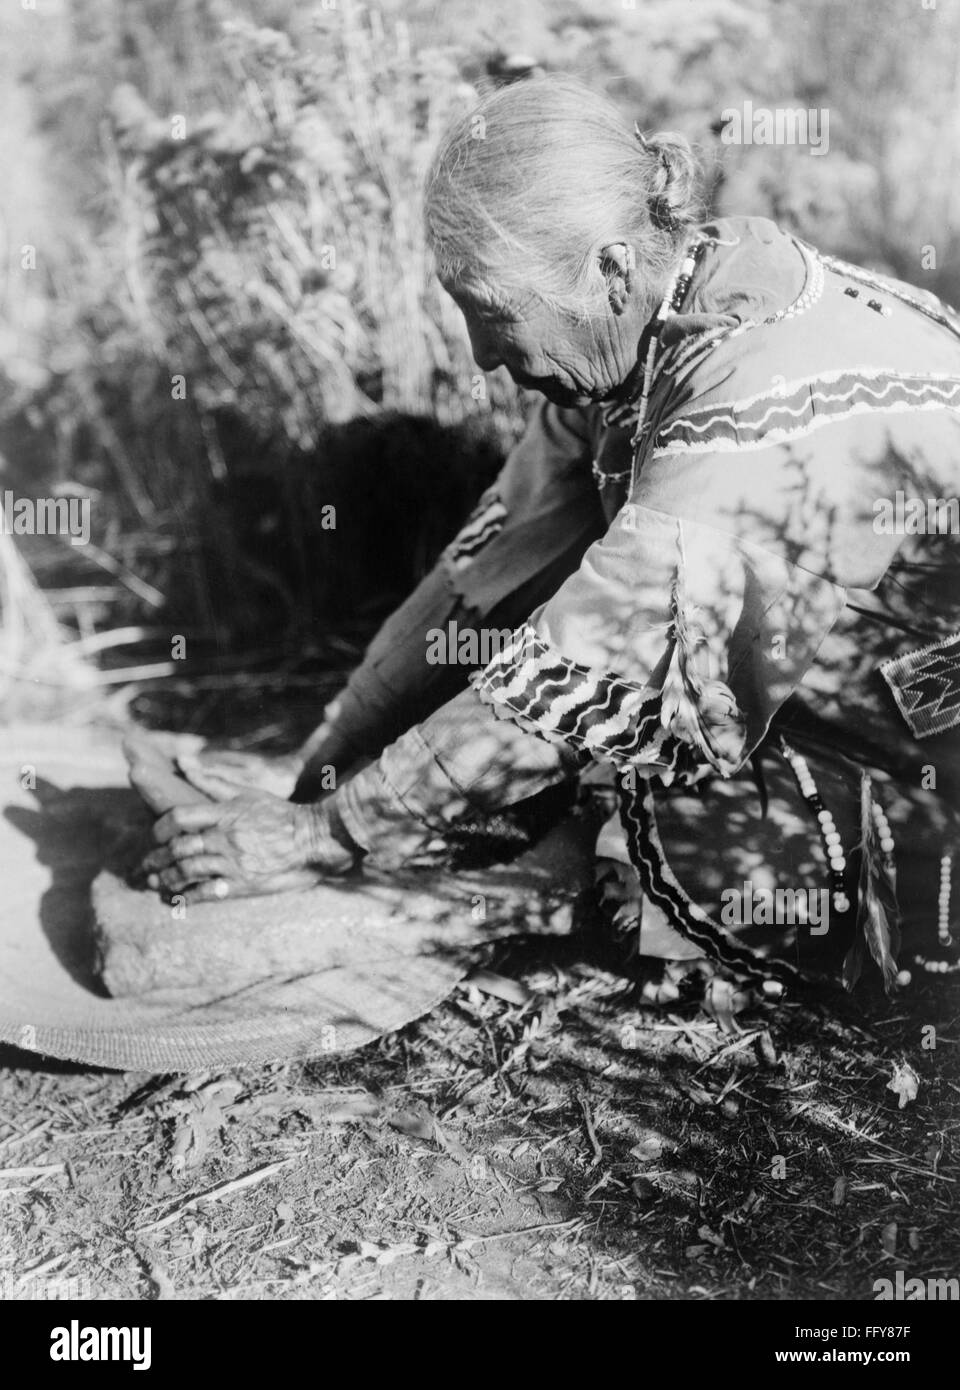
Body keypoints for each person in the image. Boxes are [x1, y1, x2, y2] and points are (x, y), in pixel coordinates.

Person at [141, 75, 960, 995]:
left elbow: (587, 673)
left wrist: (326, 836)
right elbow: (483, 576)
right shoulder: (654, 318)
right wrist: (322, 764)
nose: (484, 359)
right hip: (853, 683)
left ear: (610, 266)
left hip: (931, 730)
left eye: (493, 316)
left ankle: (547, 891)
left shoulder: (749, 404)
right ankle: (558, 861)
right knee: (602, 744)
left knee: (673, 807)